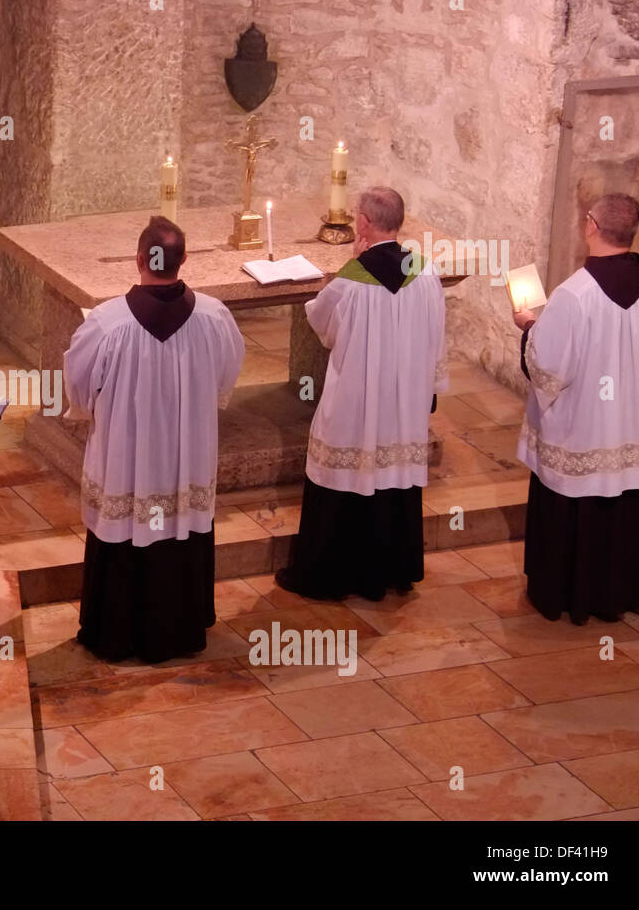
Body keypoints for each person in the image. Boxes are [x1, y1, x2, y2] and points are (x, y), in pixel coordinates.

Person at [63, 216, 246, 663]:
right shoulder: (214, 316)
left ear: (139, 259)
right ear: (183, 260)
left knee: (127, 523)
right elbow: (228, 374)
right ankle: (179, 630)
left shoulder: (106, 323)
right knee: (180, 524)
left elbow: (79, 383)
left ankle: (118, 633)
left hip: (127, 457)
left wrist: (89, 410)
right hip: (189, 456)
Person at [275, 186, 448, 602]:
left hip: (357, 401)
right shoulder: (425, 272)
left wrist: (352, 263)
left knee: (348, 473)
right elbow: (436, 338)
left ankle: (331, 574)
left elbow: (323, 324)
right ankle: (392, 570)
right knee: (393, 476)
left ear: (365, 224)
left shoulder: (354, 277)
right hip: (403, 403)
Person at [512, 193, 639, 624]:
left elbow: (548, 369)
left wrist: (529, 329)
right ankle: (628, 592)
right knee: (631, 510)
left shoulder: (573, 294)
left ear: (591, 226)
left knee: (580, 508)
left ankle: (570, 595)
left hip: (584, 432)